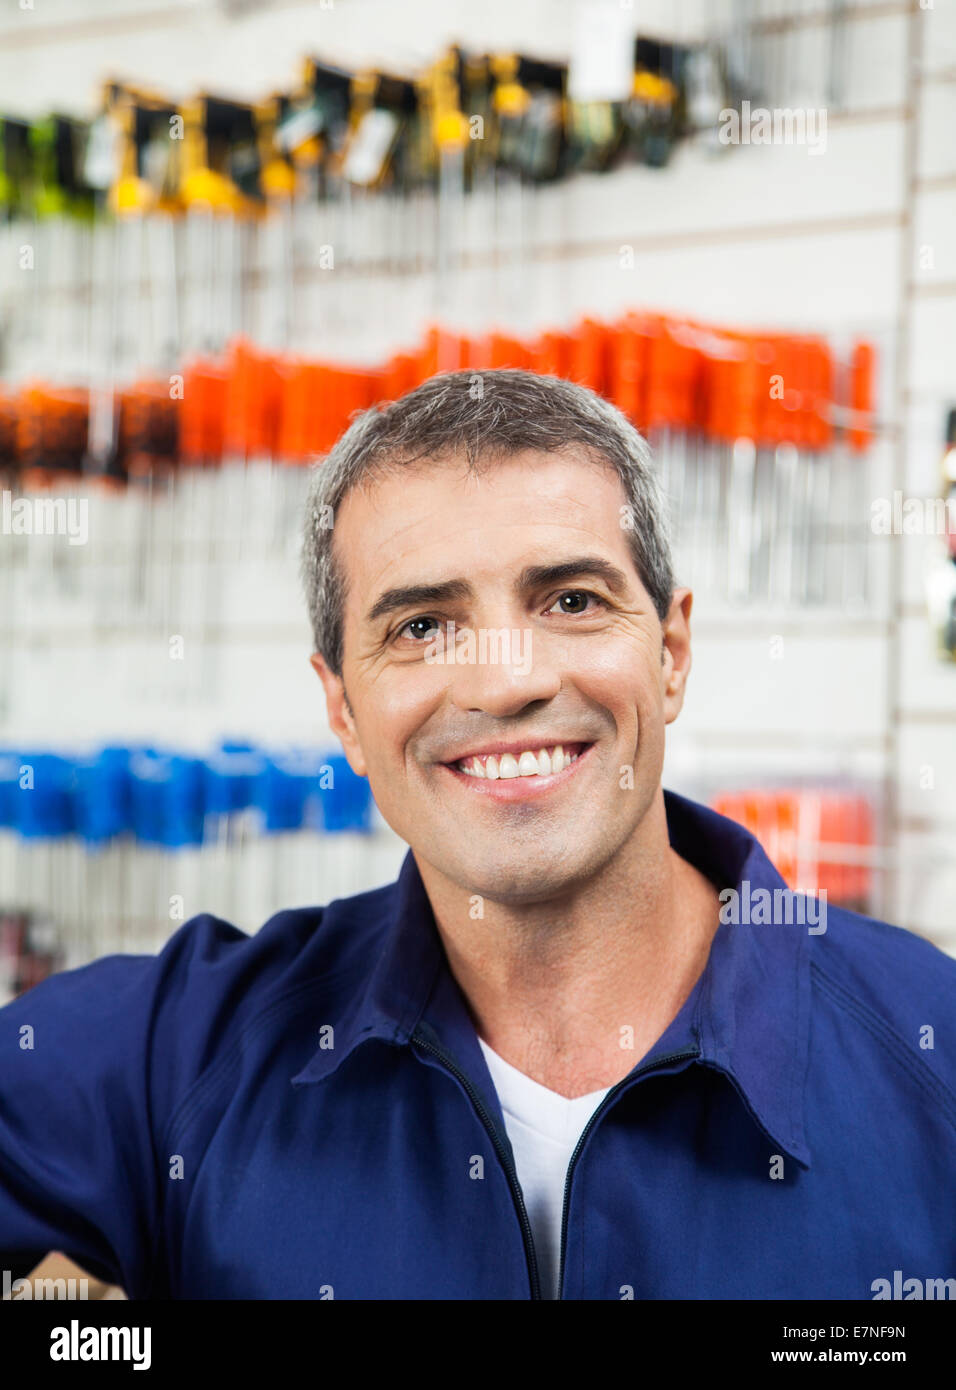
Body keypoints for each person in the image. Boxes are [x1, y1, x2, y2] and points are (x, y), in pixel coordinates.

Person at [1, 369, 954, 1301]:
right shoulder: (173, 1061)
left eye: (571, 601)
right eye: (421, 625)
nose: (504, 684)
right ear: (342, 712)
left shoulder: (933, 1054)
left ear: (670, 653)